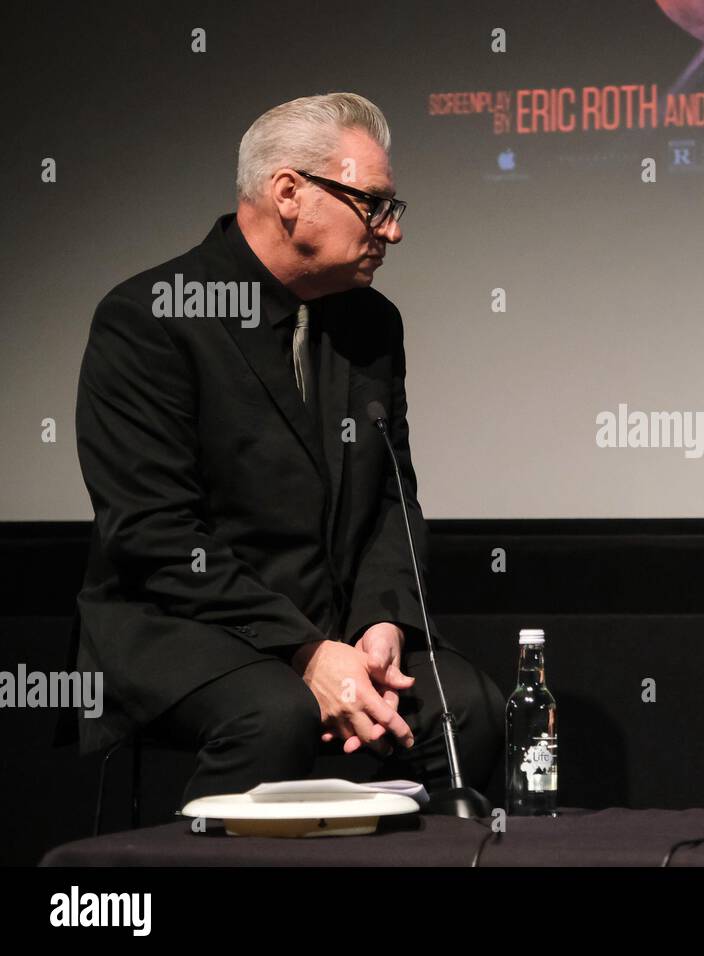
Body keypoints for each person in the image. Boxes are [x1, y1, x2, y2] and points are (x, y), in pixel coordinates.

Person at [73, 92, 503, 804]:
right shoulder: (152, 319)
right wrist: (303, 651)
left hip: (334, 625)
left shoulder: (371, 324)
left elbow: (392, 497)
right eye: (374, 205)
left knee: (469, 709)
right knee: (276, 716)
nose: (392, 231)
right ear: (288, 194)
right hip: (182, 622)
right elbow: (153, 534)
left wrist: (382, 621)